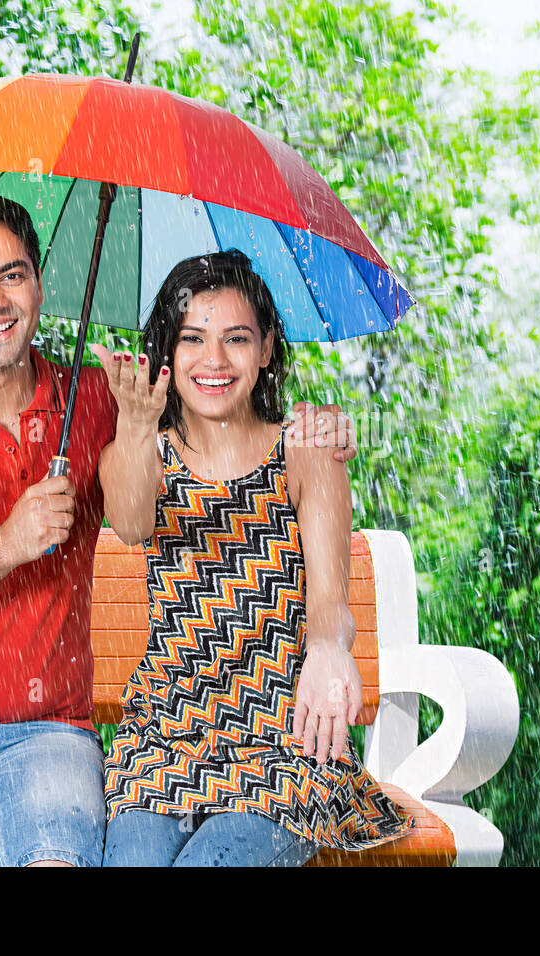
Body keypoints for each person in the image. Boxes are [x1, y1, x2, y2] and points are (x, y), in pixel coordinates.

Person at [0, 191, 356, 866]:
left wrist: (327, 427)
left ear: (39, 288)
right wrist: (6, 547)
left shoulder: (102, 402)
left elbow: (185, 457)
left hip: (48, 735)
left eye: (12, 275)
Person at [92, 249, 414, 866]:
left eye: (236, 339)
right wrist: (133, 426)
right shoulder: (143, 454)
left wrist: (328, 650)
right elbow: (130, 522)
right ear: (169, 352)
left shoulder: (306, 449)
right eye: (193, 339)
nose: (214, 361)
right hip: (165, 738)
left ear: (266, 348)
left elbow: (328, 600)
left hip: (283, 743)